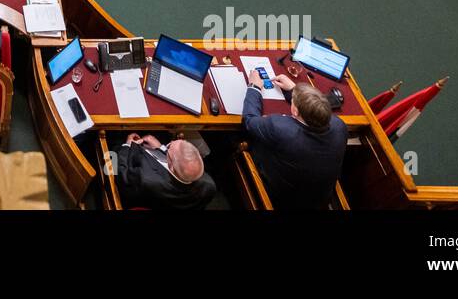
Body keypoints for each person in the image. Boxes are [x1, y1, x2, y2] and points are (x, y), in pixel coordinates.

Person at [242, 74, 346, 209]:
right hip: (317, 202)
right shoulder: (339, 126)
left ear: (295, 111)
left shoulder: (281, 128)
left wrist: (254, 87)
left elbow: (249, 120)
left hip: (281, 200)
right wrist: (294, 90)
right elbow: (314, 111)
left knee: (239, 138)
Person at [115, 135, 217, 210]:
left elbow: (122, 174)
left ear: (171, 165)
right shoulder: (209, 186)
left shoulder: (146, 179)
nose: (171, 142)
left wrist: (127, 145)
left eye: (168, 147)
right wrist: (161, 148)